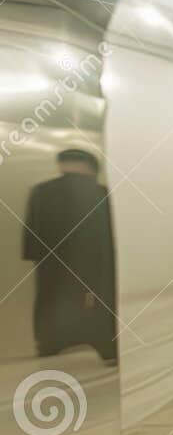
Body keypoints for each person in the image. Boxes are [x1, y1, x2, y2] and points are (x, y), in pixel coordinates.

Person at [22, 147, 118, 363]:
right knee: (101, 299)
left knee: (49, 297)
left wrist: (33, 255)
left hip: (51, 261)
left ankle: (49, 343)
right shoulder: (103, 193)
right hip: (97, 259)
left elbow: (31, 233)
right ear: (91, 168)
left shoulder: (41, 191)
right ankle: (105, 345)